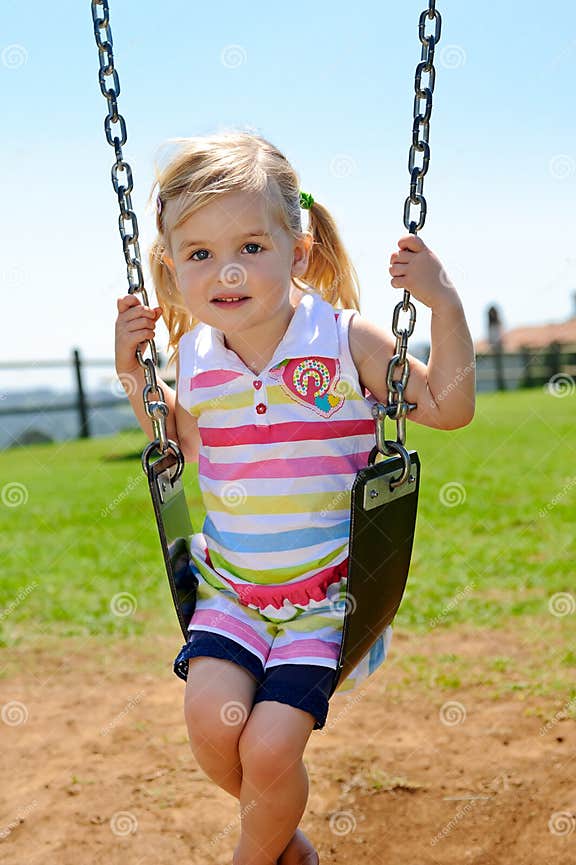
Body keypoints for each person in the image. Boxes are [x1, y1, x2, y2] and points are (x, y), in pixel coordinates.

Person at [115, 130, 476, 865]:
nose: (227, 271)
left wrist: (442, 302)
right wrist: (135, 376)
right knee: (212, 730)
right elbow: (183, 445)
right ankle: (286, 842)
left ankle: (252, 857)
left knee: (271, 747)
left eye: (251, 246)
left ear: (298, 250)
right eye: (199, 254)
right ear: (171, 266)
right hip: (233, 591)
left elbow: (449, 405)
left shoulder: (345, 340)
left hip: (327, 600)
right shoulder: (194, 356)